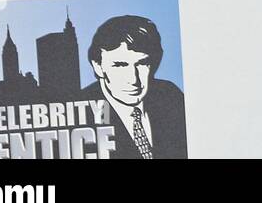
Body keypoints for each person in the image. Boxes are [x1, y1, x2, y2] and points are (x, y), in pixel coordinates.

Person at [79, 15, 187, 159]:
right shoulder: (79, 110)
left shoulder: (170, 95)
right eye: (119, 65)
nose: (133, 79)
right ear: (98, 67)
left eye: (142, 63)